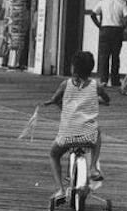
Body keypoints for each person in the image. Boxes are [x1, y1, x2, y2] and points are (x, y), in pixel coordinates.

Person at [41, 51, 110, 202]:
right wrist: (100, 99)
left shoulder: (65, 84)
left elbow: (55, 99)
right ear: (91, 69)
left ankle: (60, 189)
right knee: (98, 131)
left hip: (67, 136)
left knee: (53, 155)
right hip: (88, 136)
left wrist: (55, 104)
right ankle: (92, 168)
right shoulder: (95, 85)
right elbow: (107, 99)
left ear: (73, 69)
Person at [90, 0, 127, 87]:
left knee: (104, 56)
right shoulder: (122, 3)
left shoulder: (103, 1)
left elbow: (93, 14)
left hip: (105, 30)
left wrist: (100, 26)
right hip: (117, 31)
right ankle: (115, 80)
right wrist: (123, 27)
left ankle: (104, 80)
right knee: (115, 56)